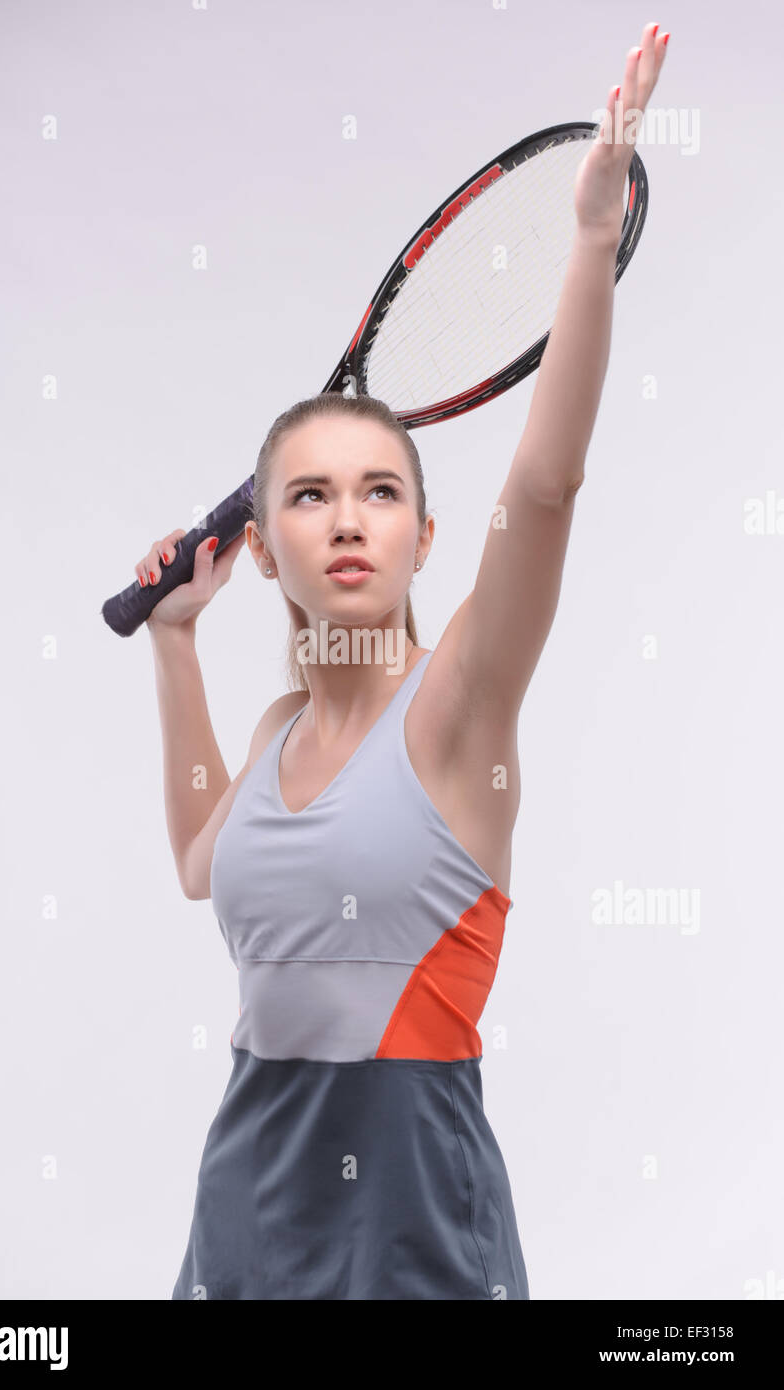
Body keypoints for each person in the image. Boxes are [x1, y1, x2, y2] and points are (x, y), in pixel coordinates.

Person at [140, 21, 669, 1300]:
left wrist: (588, 244)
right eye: (310, 496)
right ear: (263, 546)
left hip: (419, 1255)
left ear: (423, 533)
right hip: (240, 1240)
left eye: (380, 491)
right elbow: (205, 867)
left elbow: (545, 490)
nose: (348, 517)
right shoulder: (272, 732)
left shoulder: (456, 712)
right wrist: (172, 644)